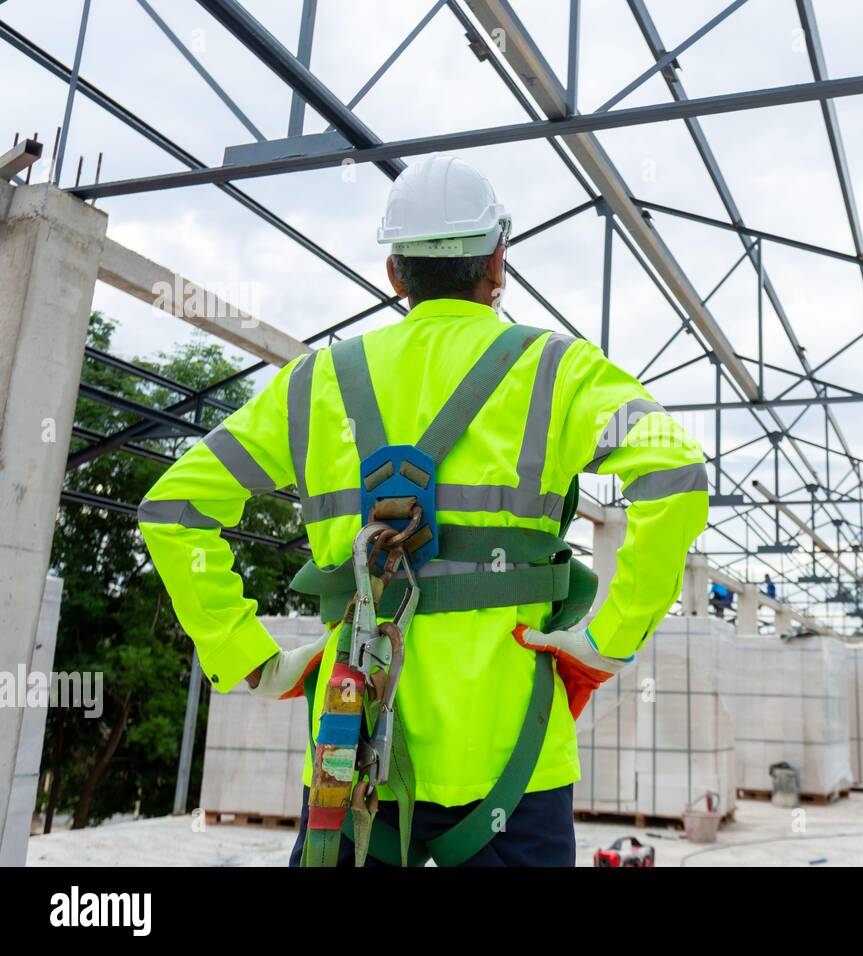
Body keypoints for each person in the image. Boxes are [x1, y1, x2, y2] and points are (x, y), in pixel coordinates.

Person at [138, 155, 708, 867]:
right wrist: (612, 638)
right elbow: (676, 471)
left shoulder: (313, 385)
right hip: (515, 762)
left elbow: (172, 510)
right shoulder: (558, 371)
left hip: (353, 753)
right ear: (497, 263)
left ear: (394, 273)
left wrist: (251, 660)